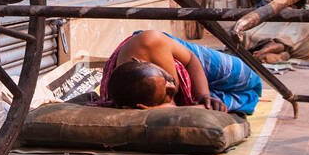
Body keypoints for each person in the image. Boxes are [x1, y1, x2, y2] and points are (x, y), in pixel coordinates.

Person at [96, 30, 262, 115]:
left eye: (165, 78)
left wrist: (203, 95)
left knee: (248, 77)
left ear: (141, 62)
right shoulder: (132, 100)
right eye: (168, 93)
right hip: (160, 89)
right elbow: (177, 110)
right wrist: (206, 103)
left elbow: (191, 59)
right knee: (243, 100)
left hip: (183, 55)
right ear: (145, 107)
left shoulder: (152, 42)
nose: (171, 85)